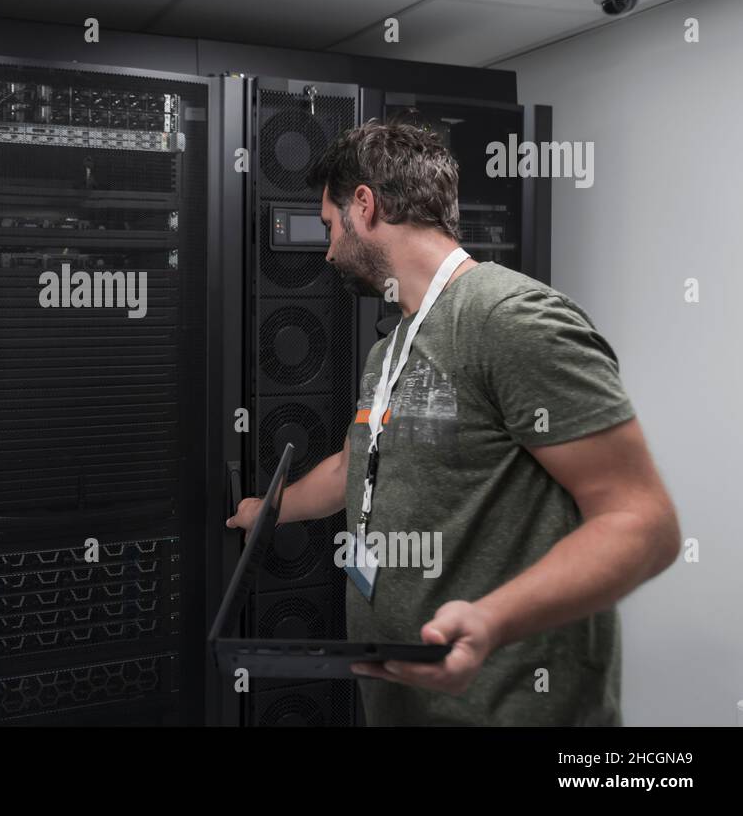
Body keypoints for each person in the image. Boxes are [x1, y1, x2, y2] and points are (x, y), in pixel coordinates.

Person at [227, 122, 679, 725]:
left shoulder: (511, 319)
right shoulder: (392, 346)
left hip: (509, 705)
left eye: (330, 227)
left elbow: (643, 524)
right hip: (410, 705)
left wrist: (490, 622)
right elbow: (355, 464)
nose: (329, 249)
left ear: (365, 205)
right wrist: (270, 508)